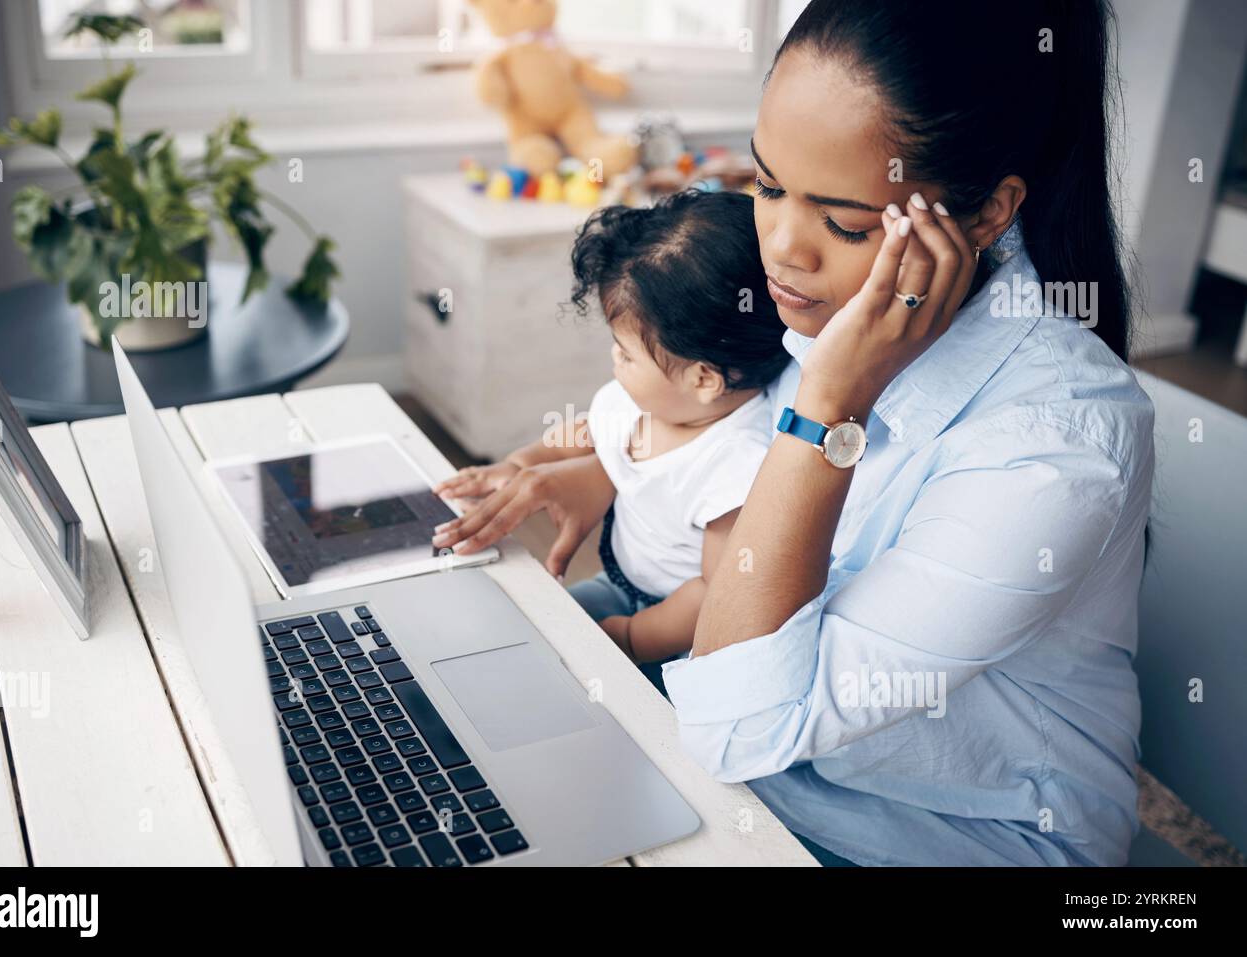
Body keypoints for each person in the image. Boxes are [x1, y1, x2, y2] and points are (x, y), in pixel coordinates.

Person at [431, 0, 1153, 866]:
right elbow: (714, 422)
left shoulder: (1058, 443)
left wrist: (832, 406)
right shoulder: (823, 287)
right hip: (749, 721)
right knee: (456, 664)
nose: (778, 247)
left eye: (844, 222)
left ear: (990, 215)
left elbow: (739, 724)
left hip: (941, 828)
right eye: (768, 185)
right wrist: (596, 468)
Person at [434, 191, 789, 675]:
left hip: (672, 632)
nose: (613, 360)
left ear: (703, 379)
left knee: (584, 684)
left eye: (625, 353)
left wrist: (631, 637)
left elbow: (714, 591)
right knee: (517, 632)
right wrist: (519, 464)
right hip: (618, 582)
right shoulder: (646, 400)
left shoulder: (737, 466)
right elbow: (582, 434)